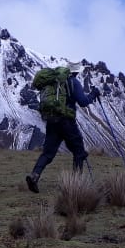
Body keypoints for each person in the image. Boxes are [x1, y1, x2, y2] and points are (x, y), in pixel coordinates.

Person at [25, 62, 100, 192]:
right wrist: (94, 94)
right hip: (67, 122)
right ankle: (76, 184)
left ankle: (34, 176)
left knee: (48, 153)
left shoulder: (54, 82)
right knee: (79, 152)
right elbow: (83, 102)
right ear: (76, 72)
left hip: (52, 121)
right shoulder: (73, 82)